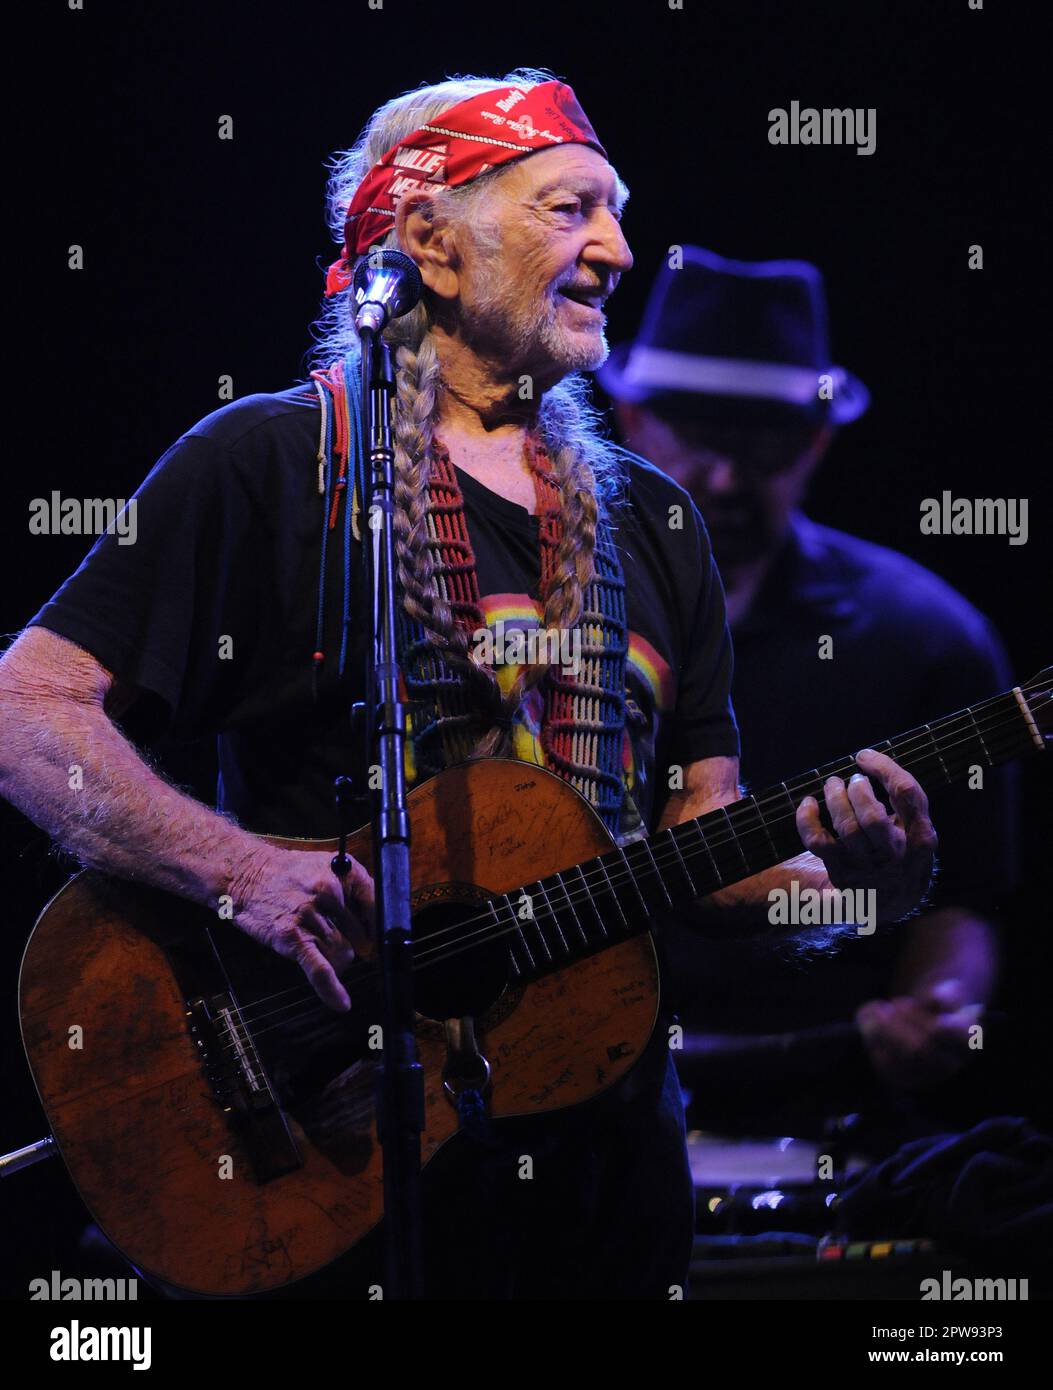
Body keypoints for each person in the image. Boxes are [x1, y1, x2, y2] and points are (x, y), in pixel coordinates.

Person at [0, 73, 937, 1299]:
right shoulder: (276, 466)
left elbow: (696, 840)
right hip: (327, 1148)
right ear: (432, 245)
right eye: (569, 209)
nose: (616, 247)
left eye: (617, 212)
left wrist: (852, 894)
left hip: (608, 1185)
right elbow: (29, 710)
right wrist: (242, 874)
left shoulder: (656, 524)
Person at [599, 246, 1015, 1126]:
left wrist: (937, 1009)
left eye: (766, 442)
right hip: (576, 1096)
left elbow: (967, 894)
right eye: (698, 433)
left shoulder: (926, 636)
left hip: (823, 1108)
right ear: (630, 418)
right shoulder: (554, 607)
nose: (725, 477)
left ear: (818, 438)